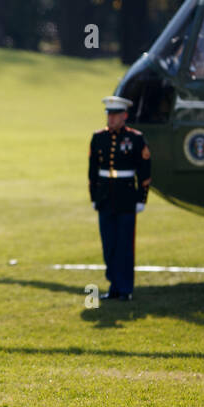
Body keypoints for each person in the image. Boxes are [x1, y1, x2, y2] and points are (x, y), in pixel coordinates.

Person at [89, 96, 152, 301]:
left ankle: (125, 289)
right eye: (109, 115)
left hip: (126, 197)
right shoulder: (98, 138)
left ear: (124, 116)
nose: (111, 119)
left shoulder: (135, 138)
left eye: (115, 115)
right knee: (109, 245)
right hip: (105, 197)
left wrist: (142, 199)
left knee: (125, 245)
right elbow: (93, 170)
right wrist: (94, 196)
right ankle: (114, 285)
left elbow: (144, 170)